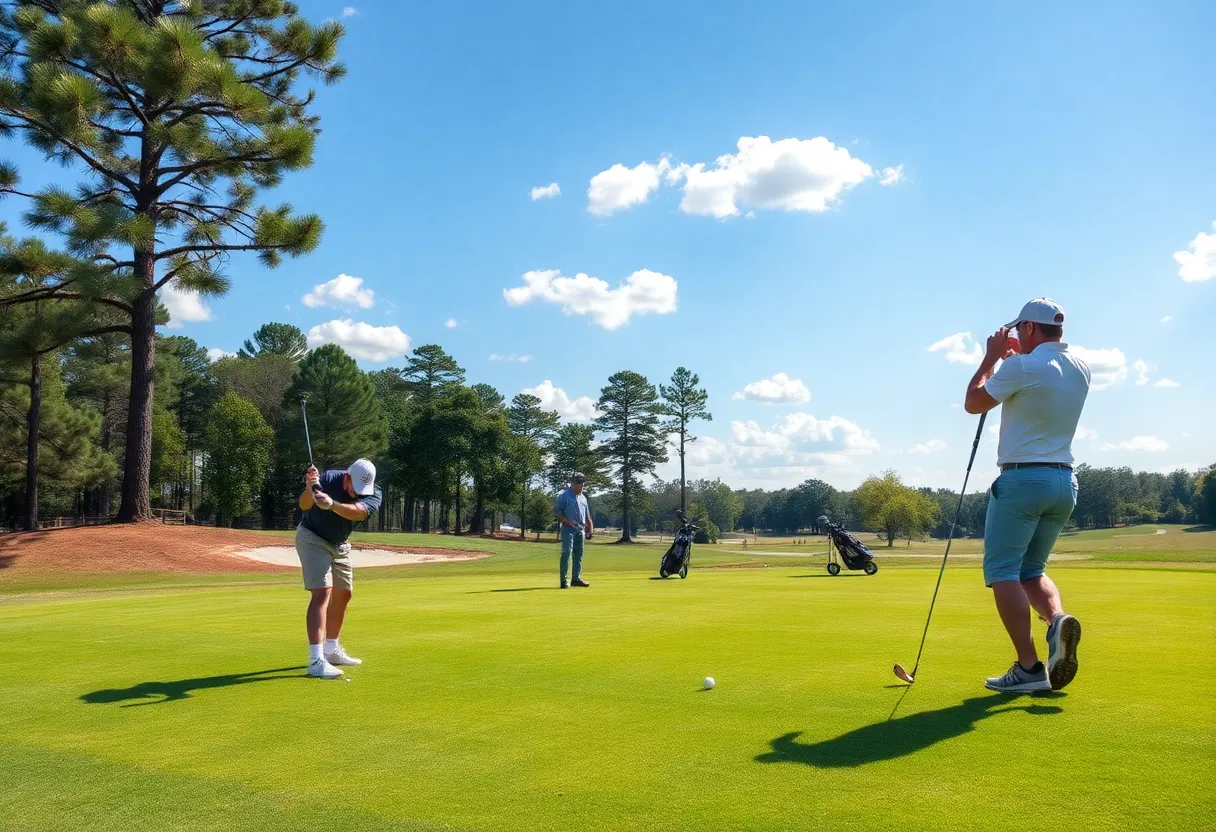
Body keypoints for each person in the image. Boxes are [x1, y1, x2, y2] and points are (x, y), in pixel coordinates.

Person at [964, 298, 1089, 693]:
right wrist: (1015, 358)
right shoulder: (1080, 368)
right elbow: (1037, 380)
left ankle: (1030, 667)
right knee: (1031, 571)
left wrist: (991, 359)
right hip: (1063, 483)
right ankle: (1057, 623)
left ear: (1031, 329)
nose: (1015, 335)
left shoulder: (1019, 366)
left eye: (1019, 329)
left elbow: (974, 402)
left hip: (1022, 481)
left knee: (1003, 572)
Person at [296, 458, 382, 679]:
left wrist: (331, 505)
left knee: (344, 593)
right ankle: (316, 661)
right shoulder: (327, 479)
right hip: (312, 537)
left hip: (340, 544)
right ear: (346, 478)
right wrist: (309, 489)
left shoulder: (373, 493)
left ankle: (331, 649)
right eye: (356, 487)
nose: (360, 493)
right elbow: (305, 505)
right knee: (322, 593)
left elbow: (359, 512)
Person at [553, 472, 594, 589]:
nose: (580, 485)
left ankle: (576, 578)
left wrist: (590, 529)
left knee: (578, 554)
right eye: (577, 482)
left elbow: (587, 516)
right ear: (572, 483)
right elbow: (556, 510)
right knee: (566, 553)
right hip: (568, 529)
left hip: (580, 530)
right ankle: (564, 580)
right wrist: (565, 520)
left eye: (581, 483)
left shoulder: (583, 498)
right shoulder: (564, 495)